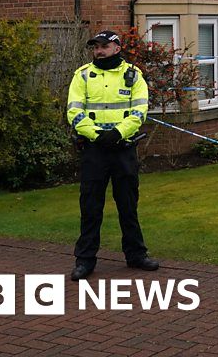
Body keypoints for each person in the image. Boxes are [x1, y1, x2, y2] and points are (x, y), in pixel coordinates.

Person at [66, 29, 158, 281]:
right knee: (90, 207)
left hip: (123, 150)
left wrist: (118, 133)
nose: (98, 50)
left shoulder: (134, 75)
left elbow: (139, 111)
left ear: (117, 48)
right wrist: (97, 135)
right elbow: (74, 111)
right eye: (95, 46)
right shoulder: (82, 75)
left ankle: (136, 255)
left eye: (104, 46)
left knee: (128, 206)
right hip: (94, 151)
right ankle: (84, 260)